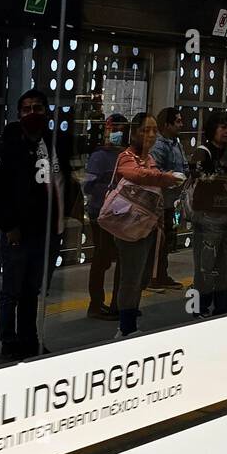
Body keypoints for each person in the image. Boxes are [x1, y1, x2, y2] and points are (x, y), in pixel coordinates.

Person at [0, 89, 74, 360]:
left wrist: (65, 215)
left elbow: (63, 181)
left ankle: (30, 339)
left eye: (38, 107)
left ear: (47, 111)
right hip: (18, 232)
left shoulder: (55, 142)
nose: (33, 113)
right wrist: (8, 225)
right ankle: (8, 342)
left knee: (33, 291)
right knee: (11, 290)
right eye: (27, 109)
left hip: (48, 231)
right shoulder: (10, 145)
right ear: (18, 114)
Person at [106, 113, 186, 338]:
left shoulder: (148, 158)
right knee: (131, 278)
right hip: (128, 226)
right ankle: (125, 326)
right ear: (134, 133)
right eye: (145, 130)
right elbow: (138, 175)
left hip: (148, 225)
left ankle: (129, 320)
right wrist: (165, 177)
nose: (150, 135)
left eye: (153, 130)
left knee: (140, 277)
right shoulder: (126, 157)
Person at [187, 110, 227, 317]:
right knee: (204, 268)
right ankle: (197, 309)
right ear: (212, 130)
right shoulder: (203, 152)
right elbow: (206, 181)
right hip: (207, 218)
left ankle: (223, 308)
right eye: (223, 127)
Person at [83, 113, 128, 319]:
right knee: (102, 257)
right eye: (114, 129)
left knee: (118, 258)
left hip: (119, 213)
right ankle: (96, 303)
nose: (117, 133)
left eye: (121, 129)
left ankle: (117, 303)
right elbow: (88, 186)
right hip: (100, 213)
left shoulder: (125, 154)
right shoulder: (99, 156)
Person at [147, 107, 187, 290]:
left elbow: (184, 164)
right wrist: (171, 178)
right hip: (159, 201)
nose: (181, 124)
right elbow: (155, 172)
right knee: (157, 242)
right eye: (177, 121)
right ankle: (152, 277)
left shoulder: (176, 143)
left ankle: (161, 274)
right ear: (167, 124)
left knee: (166, 240)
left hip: (172, 200)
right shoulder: (159, 146)